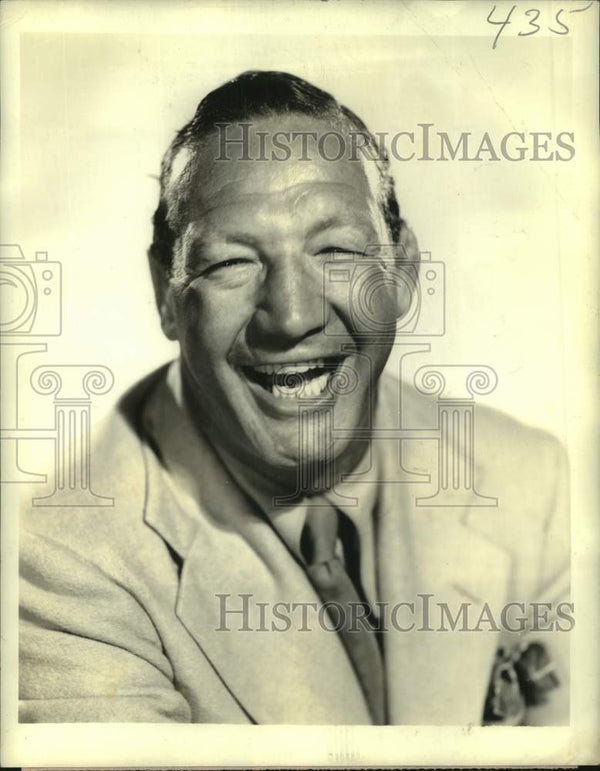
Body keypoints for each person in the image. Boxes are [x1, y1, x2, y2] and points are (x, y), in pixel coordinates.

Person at [19, 71, 570, 725]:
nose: (292, 316)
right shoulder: (59, 565)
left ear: (403, 271)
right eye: (231, 262)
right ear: (166, 293)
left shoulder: (530, 479)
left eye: (336, 249)